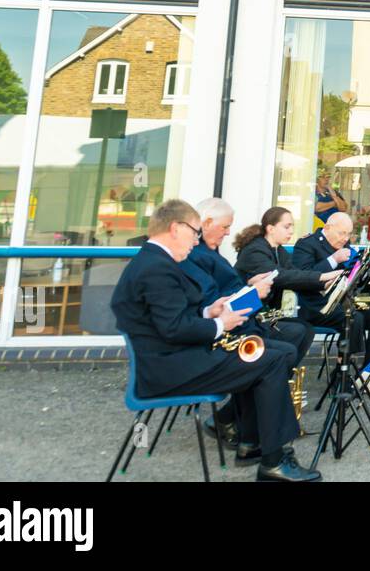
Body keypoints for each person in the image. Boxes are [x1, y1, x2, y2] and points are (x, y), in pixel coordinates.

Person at [110, 199, 320, 481]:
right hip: (169, 369)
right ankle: (273, 460)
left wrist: (210, 311)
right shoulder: (156, 267)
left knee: (270, 352)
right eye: (195, 232)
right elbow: (174, 328)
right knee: (273, 359)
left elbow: (174, 316)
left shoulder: (155, 261)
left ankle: (254, 444)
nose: (196, 239)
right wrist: (221, 323)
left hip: (176, 357)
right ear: (175, 228)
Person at [182, 197, 315, 453]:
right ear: (206, 223)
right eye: (224, 227)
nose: (228, 232)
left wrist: (252, 292)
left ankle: (248, 434)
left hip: (239, 325)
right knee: (280, 355)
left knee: (289, 344)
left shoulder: (208, 253)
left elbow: (219, 302)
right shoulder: (199, 256)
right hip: (226, 335)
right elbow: (214, 306)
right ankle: (263, 444)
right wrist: (255, 292)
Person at [292, 211, 370, 391]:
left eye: (348, 234)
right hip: (316, 306)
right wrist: (333, 259)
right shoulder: (306, 244)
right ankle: (342, 372)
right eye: (342, 233)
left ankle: (369, 372)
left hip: (343, 302)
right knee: (353, 317)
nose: (345, 238)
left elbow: (353, 276)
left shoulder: (343, 244)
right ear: (327, 228)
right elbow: (302, 276)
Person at [232, 207, 345, 332]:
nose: (291, 231)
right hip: (244, 314)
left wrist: (324, 284)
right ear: (270, 229)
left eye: (292, 227)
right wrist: (322, 276)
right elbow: (281, 276)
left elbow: (296, 274)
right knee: (298, 330)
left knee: (306, 329)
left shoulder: (279, 250)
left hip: (264, 313)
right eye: (287, 227)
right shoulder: (254, 250)